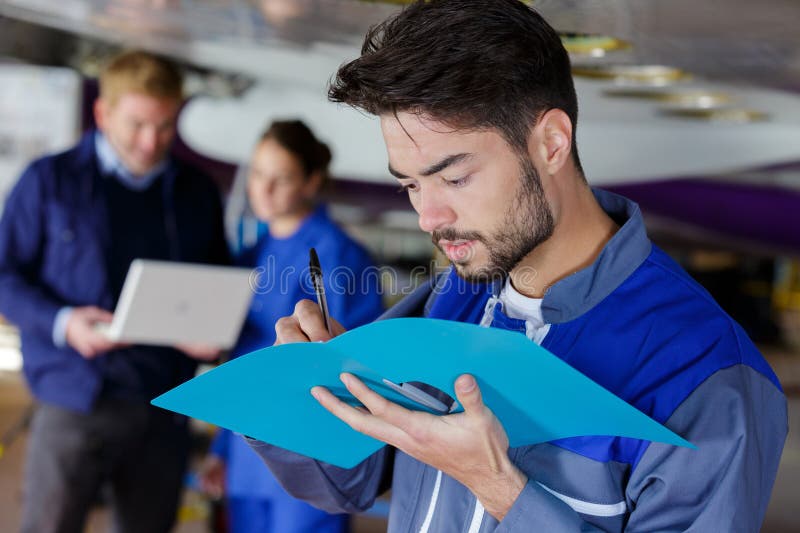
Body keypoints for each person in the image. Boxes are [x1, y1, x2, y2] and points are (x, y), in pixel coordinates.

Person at [244, 1, 788, 532]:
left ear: (551, 143)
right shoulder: (449, 301)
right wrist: (306, 388)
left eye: (454, 178)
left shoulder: (708, 377)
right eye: (410, 185)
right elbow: (347, 481)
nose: (428, 217)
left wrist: (499, 485)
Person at [0, 50, 230, 533]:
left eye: (166, 126)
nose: (151, 142)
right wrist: (63, 323)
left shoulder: (197, 192)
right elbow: (5, 276)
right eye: (137, 125)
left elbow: (216, 279)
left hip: (164, 402)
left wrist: (209, 330)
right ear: (103, 113)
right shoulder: (49, 180)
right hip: (74, 395)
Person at [199, 119, 384, 533]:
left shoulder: (338, 256)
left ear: (310, 182)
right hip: (249, 442)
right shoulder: (251, 253)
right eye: (258, 174)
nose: (262, 189)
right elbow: (241, 364)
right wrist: (223, 448)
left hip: (307, 446)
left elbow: (354, 366)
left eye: (280, 179)